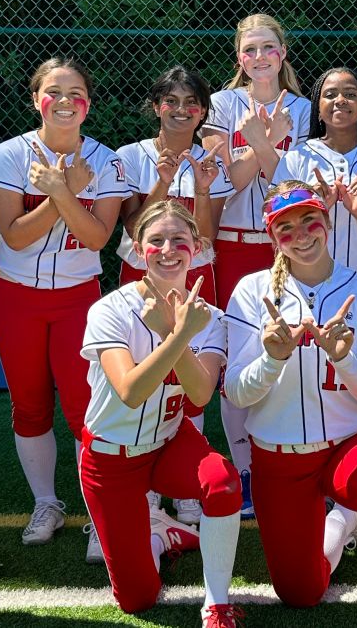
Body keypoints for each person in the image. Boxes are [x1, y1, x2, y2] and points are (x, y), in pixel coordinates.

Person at [223, 181, 357, 628]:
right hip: (279, 453)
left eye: (310, 220)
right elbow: (237, 392)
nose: (302, 234)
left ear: (327, 222)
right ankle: (344, 522)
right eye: (286, 228)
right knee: (300, 593)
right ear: (272, 238)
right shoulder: (251, 292)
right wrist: (272, 360)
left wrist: (343, 357)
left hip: (350, 442)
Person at [0, 57, 130, 548]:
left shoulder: (107, 161)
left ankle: (98, 512)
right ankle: (45, 502)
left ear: (88, 102)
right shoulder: (9, 154)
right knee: (28, 406)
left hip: (78, 299)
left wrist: (63, 190)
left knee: (85, 408)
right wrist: (65, 193)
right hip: (16, 297)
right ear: (35, 99)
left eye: (76, 92)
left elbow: (95, 238)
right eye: (54, 91)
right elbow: (15, 236)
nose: (65, 102)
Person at [79, 200, 243, 627]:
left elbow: (201, 394)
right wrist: (176, 334)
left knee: (222, 482)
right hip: (111, 458)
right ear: (137, 249)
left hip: (170, 442)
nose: (168, 249)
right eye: (156, 240)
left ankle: (217, 604)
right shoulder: (109, 310)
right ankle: (162, 533)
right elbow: (131, 392)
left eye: (179, 240)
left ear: (199, 247)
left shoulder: (213, 318)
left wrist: (179, 333)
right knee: (137, 600)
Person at [199, 13, 311, 519]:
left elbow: (296, 185)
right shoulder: (222, 105)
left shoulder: (307, 109)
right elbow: (229, 182)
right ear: (238, 58)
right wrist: (265, 144)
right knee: (237, 357)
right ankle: (244, 469)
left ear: (283, 52)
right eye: (250, 50)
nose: (260, 57)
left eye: (268, 47)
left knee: (293, 349)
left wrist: (262, 144)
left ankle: (295, 456)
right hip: (235, 243)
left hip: (288, 242)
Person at [113, 67, 231, 525]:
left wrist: (201, 187)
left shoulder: (209, 160)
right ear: (156, 105)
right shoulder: (131, 155)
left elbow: (206, 235)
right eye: (172, 100)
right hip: (140, 274)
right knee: (146, 368)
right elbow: (130, 229)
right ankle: (145, 488)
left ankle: (186, 486)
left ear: (203, 111)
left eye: (192, 102)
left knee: (190, 374)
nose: (182, 110)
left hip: (196, 276)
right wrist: (162, 181)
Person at [270, 67, 357, 285]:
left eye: (351, 95)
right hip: (306, 285)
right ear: (318, 109)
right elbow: (274, 227)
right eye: (330, 94)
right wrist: (314, 205)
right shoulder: (295, 158)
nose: (341, 100)